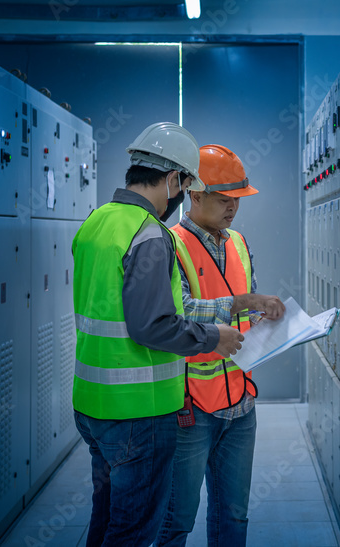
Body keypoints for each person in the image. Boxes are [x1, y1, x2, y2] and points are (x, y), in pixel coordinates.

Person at [71, 123, 245, 547]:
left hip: (92, 404)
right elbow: (151, 325)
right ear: (172, 179)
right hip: (137, 413)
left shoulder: (97, 221)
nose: (180, 196)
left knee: (106, 522)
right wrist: (214, 338)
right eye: (183, 186)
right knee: (133, 533)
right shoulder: (149, 233)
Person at [156, 144, 285, 547]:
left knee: (233, 514)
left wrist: (271, 322)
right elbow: (180, 313)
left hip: (240, 403)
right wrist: (246, 303)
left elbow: (246, 310)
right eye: (225, 198)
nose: (233, 207)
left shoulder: (239, 244)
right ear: (194, 194)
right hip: (190, 407)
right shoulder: (170, 244)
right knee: (176, 519)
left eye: (238, 199)